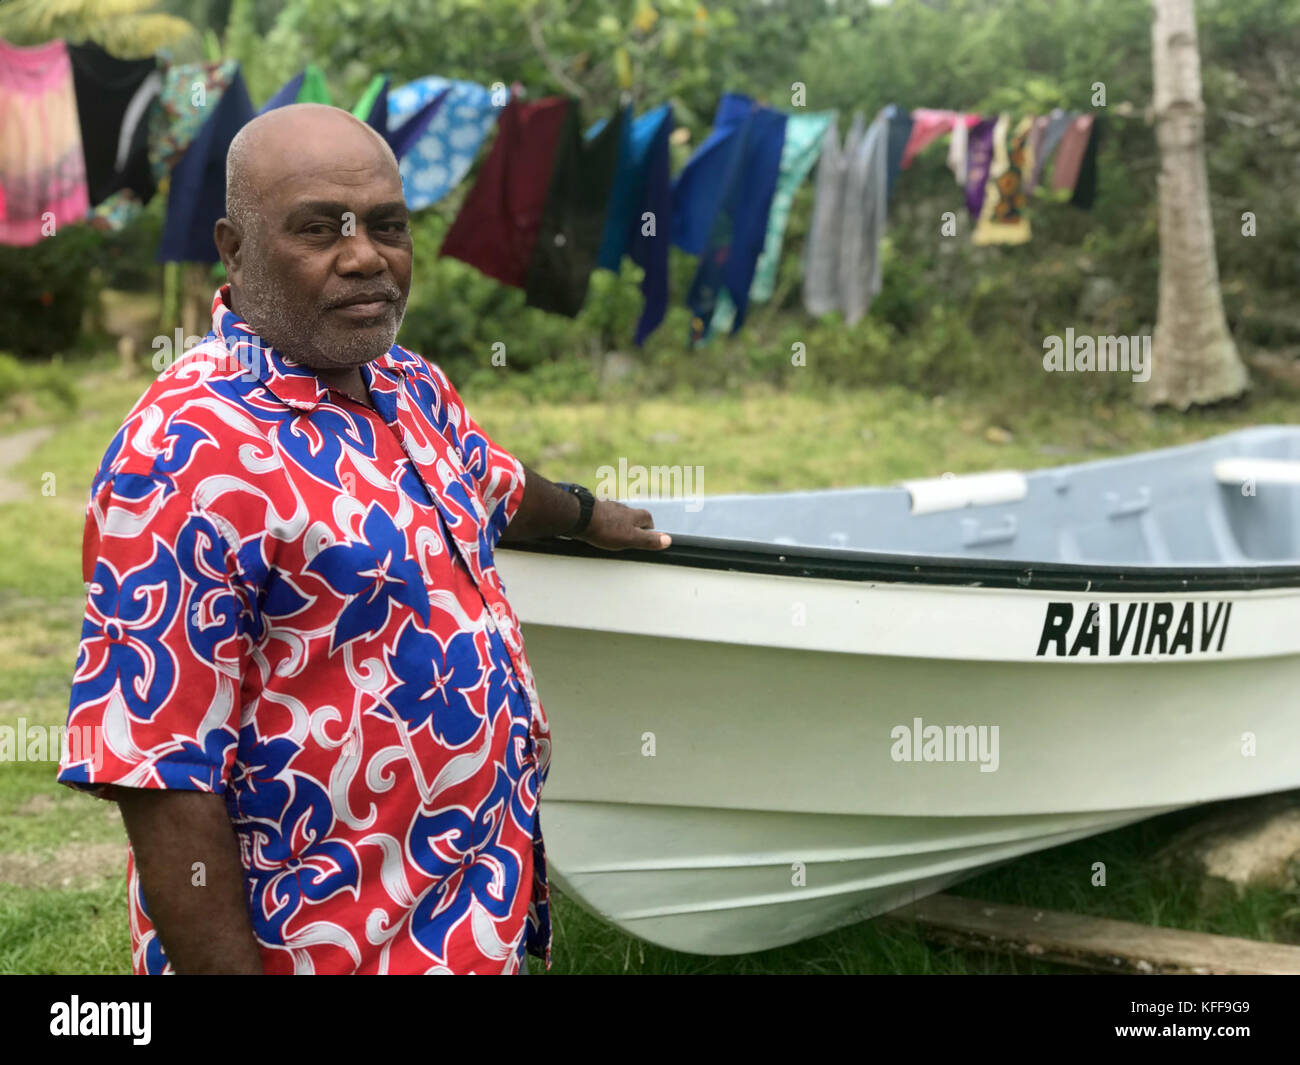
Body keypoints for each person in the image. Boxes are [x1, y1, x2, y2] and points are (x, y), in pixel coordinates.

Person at [56, 103, 669, 974]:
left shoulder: (407, 384)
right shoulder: (186, 456)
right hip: (324, 946)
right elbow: (158, 772)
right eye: (319, 229)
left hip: (472, 921)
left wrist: (587, 513)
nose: (365, 256)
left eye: (388, 226)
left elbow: (490, 480)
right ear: (233, 248)